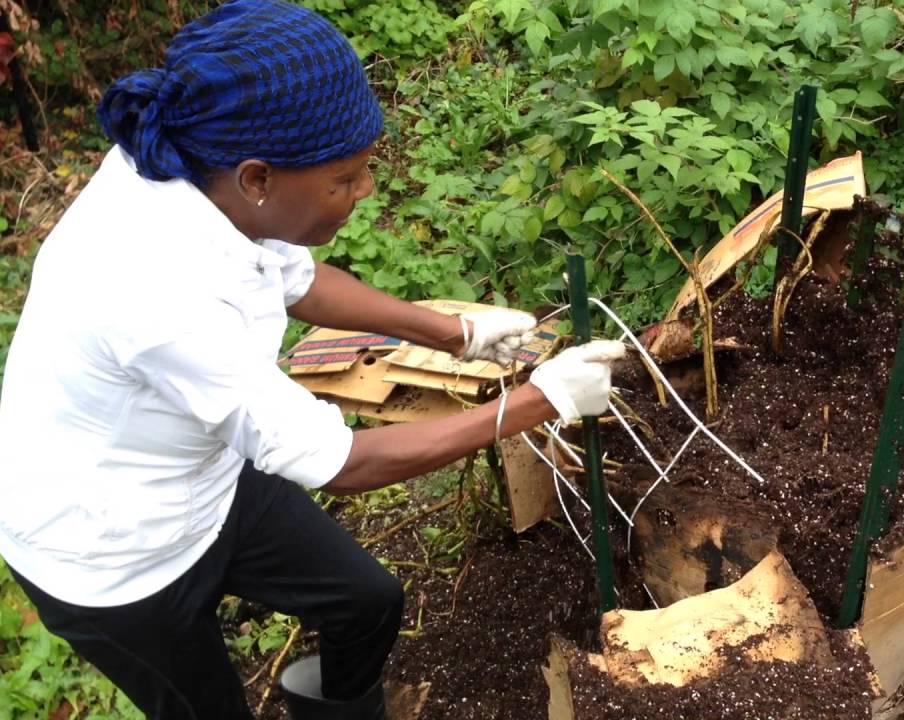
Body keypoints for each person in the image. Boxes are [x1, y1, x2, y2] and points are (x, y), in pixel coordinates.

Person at [0, 1, 623, 717]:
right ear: (258, 179)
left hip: (204, 476)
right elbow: (345, 463)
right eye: (346, 179)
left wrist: (456, 334)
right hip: (109, 553)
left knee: (368, 602)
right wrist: (543, 400)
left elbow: (298, 281)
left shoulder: (203, 167)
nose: (366, 190)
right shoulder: (154, 292)